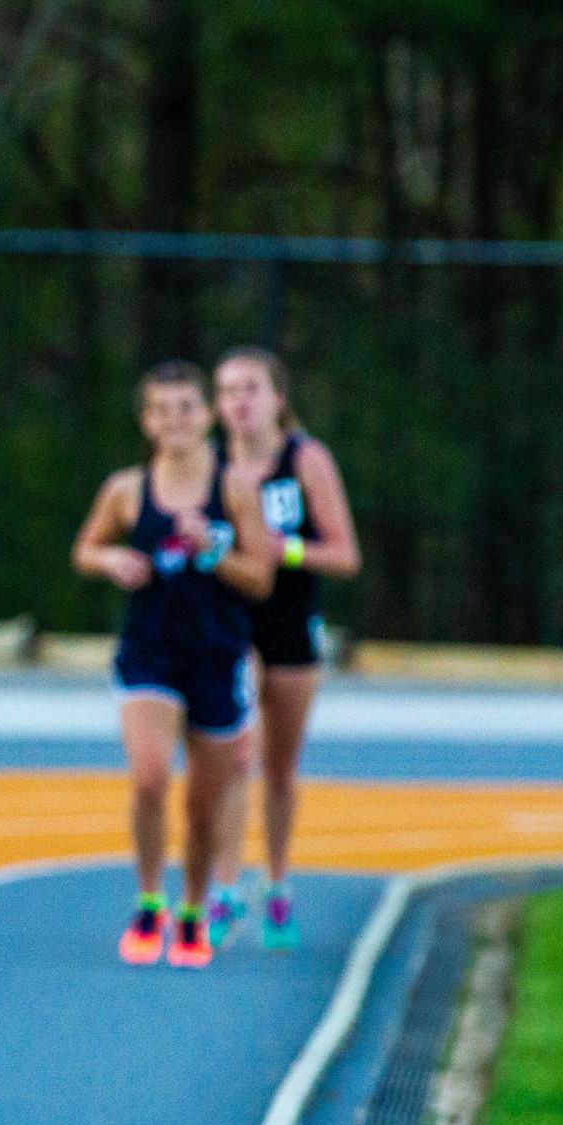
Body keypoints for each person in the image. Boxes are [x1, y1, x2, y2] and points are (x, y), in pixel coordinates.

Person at [71, 360, 278, 968]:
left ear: (206, 416)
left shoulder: (234, 486)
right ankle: (147, 901)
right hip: (149, 654)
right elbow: (86, 547)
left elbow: (261, 578)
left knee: (203, 805)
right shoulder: (127, 489)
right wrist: (112, 561)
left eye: (187, 407)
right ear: (146, 421)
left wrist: (212, 549)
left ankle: (191, 909)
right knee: (150, 779)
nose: (176, 420)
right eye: (162, 410)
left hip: (216, 655)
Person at [206, 347, 362, 948]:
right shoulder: (208, 465)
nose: (239, 402)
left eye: (251, 388)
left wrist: (283, 549)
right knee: (235, 755)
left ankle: (277, 884)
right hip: (233, 625)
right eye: (227, 391)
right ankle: (224, 886)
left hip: (292, 625)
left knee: (279, 768)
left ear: (277, 398)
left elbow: (344, 555)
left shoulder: (305, 459)